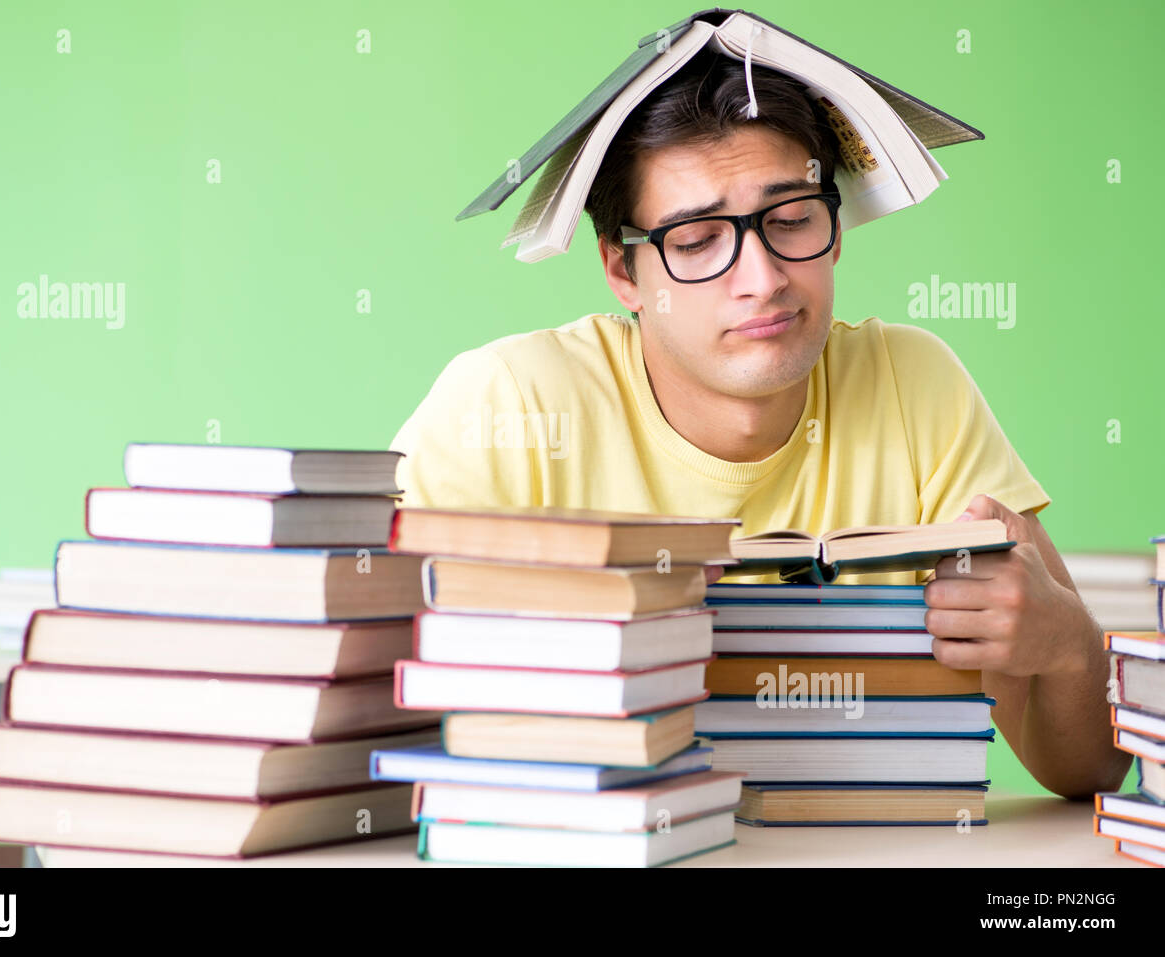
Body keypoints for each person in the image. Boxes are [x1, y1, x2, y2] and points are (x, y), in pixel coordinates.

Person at [390, 48, 1128, 799]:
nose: (764, 278)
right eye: (698, 240)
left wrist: (1067, 645)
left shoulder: (917, 384)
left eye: (792, 219)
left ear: (835, 230)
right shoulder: (505, 404)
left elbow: (1090, 772)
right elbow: (367, 719)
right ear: (623, 271)